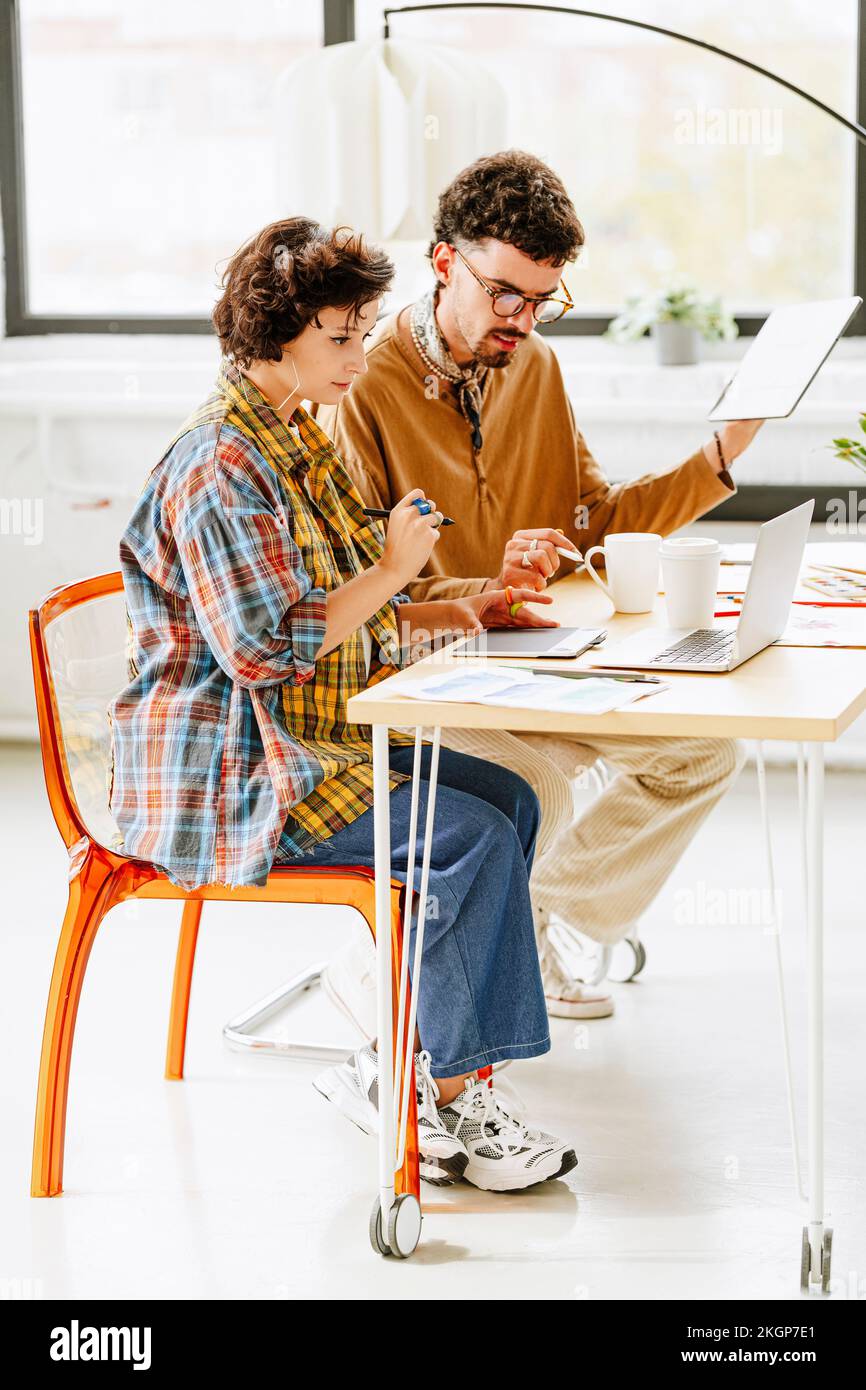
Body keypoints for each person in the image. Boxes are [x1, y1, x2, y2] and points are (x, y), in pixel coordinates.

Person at [106, 216, 577, 1192]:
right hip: (235, 772)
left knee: (510, 801)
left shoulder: (290, 436)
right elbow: (267, 645)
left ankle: (413, 1076)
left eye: (363, 332)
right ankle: (437, 1094)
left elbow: (357, 609)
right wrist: (398, 567)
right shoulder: (219, 465)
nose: (361, 357)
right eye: (340, 337)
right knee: (469, 838)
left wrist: (454, 601)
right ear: (270, 334)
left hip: (306, 742)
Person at [315, 149, 763, 1026]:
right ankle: (448, 953)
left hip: (534, 656)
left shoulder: (536, 367)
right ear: (445, 262)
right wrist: (492, 580)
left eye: (544, 298)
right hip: (422, 676)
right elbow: (358, 596)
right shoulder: (358, 386)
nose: (523, 320)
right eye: (505, 294)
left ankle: (532, 915)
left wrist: (720, 459)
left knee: (702, 754)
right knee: (542, 786)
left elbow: (591, 521)